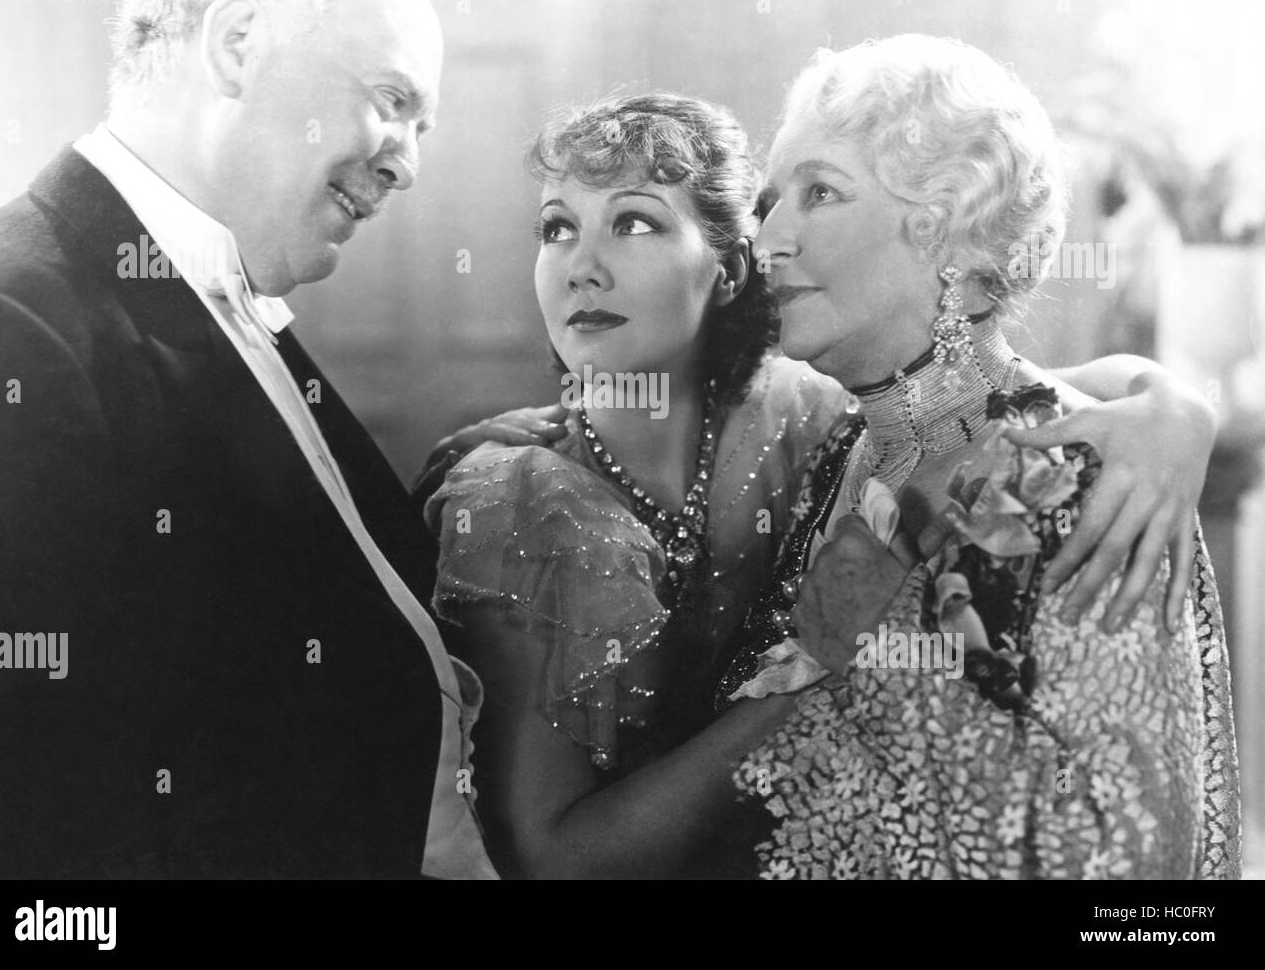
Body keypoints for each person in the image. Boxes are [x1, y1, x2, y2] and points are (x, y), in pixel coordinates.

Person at [425, 91, 1221, 879]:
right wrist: (819, 662)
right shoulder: (523, 500)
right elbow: (554, 862)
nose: (581, 269)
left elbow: (971, 401)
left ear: (734, 269)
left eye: (634, 222)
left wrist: (1170, 409)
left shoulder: (805, 417)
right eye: (555, 228)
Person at [0, 0, 493, 879]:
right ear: (240, 45)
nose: (409, 165)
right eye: (392, 102)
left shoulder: (217, 296)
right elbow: (36, 832)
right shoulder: (2, 325)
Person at [721, 34, 1240, 879]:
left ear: (949, 238)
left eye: (820, 192)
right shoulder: (841, 454)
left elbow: (1139, 872)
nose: (768, 237)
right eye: (770, 200)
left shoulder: (1071, 476)